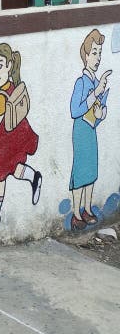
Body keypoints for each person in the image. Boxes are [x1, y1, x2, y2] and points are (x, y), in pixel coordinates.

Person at [0, 43, 42, 230]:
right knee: (13, 168)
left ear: (9, 66)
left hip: (3, 140)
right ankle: (34, 177)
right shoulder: (11, 86)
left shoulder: (1, 95)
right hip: (15, 136)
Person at [69, 29, 110, 229]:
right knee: (80, 170)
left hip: (91, 130)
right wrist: (96, 93)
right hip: (81, 131)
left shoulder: (95, 82)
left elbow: (97, 111)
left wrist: (101, 114)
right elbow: (74, 110)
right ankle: (76, 214)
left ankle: (87, 209)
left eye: (99, 53)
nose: (97, 58)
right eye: (94, 53)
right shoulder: (82, 82)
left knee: (91, 170)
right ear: (85, 55)